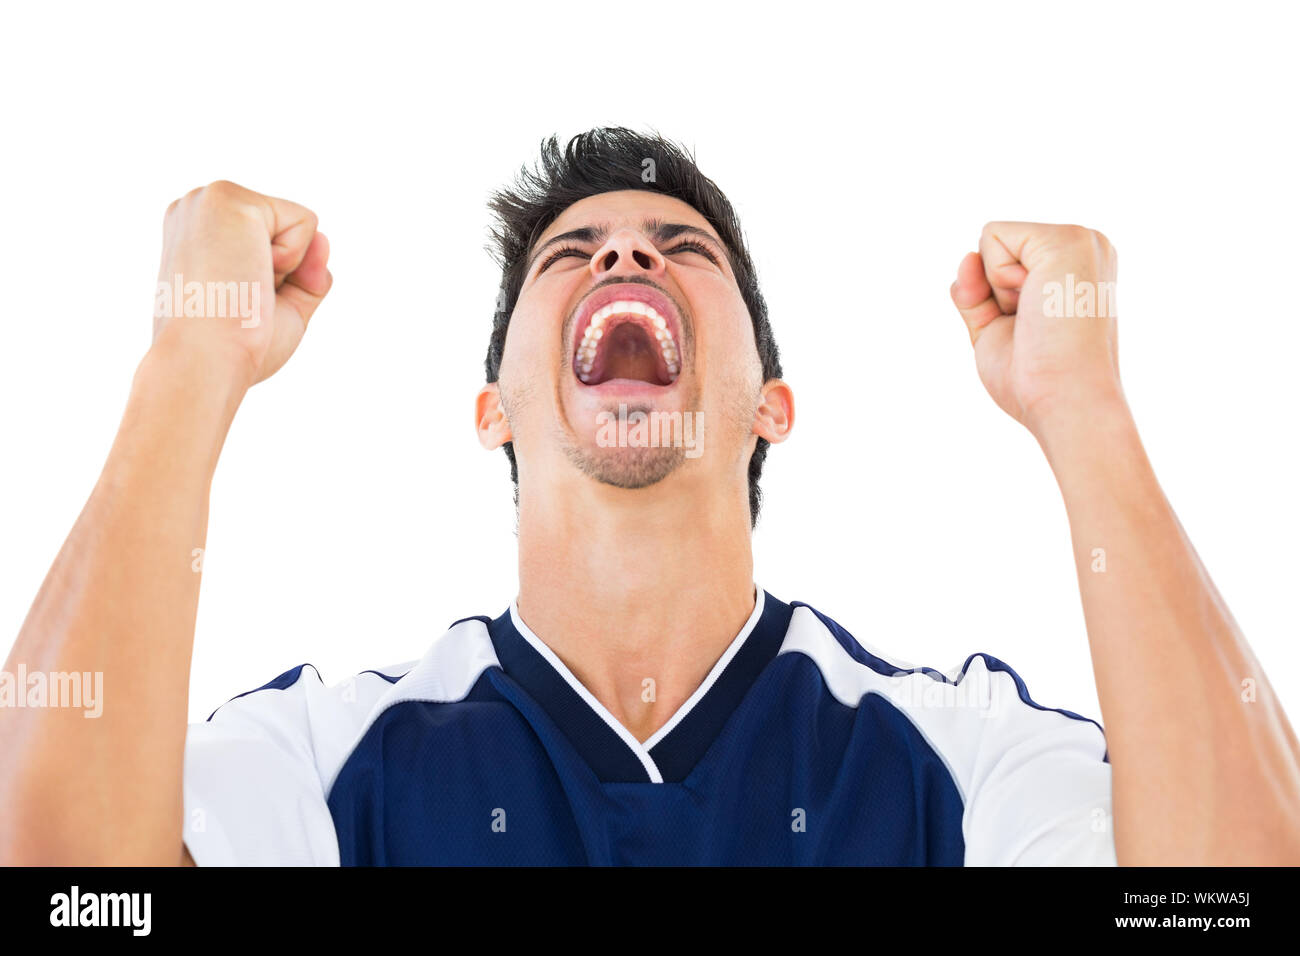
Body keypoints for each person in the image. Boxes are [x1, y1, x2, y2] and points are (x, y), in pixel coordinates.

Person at [2, 129, 1296, 865]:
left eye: (684, 248)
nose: (625, 250)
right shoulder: (334, 759)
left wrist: (1084, 407)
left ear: (769, 403)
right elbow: (59, 879)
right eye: (574, 252)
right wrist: (190, 360)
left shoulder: (947, 753)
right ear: (492, 409)